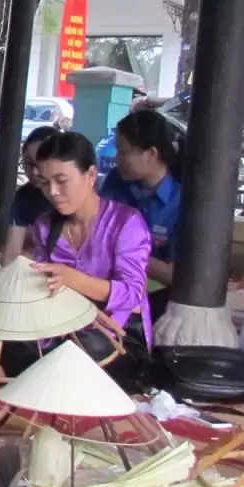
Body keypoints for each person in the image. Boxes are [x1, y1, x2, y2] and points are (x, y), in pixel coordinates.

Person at [28, 132, 154, 349]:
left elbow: (133, 294)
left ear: (91, 175)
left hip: (114, 336)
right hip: (59, 330)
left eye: (61, 181)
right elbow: (40, 288)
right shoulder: (45, 226)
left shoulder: (125, 223)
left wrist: (72, 279)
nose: (53, 192)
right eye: (44, 183)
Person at [100, 109, 181, 318]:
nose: (117, 159)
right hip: (108, 288)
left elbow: (177, 276)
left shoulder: (181, 203)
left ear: (151, 154)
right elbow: (96, 232)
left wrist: (127, 253)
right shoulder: (116, 182)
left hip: (158, 302)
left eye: (123, 152)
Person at [0, 125, 59, 264]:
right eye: (28, 163)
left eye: (40, 163)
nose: (34, 172)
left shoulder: (70, 196)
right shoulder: (24, 197)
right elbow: (12, 253)